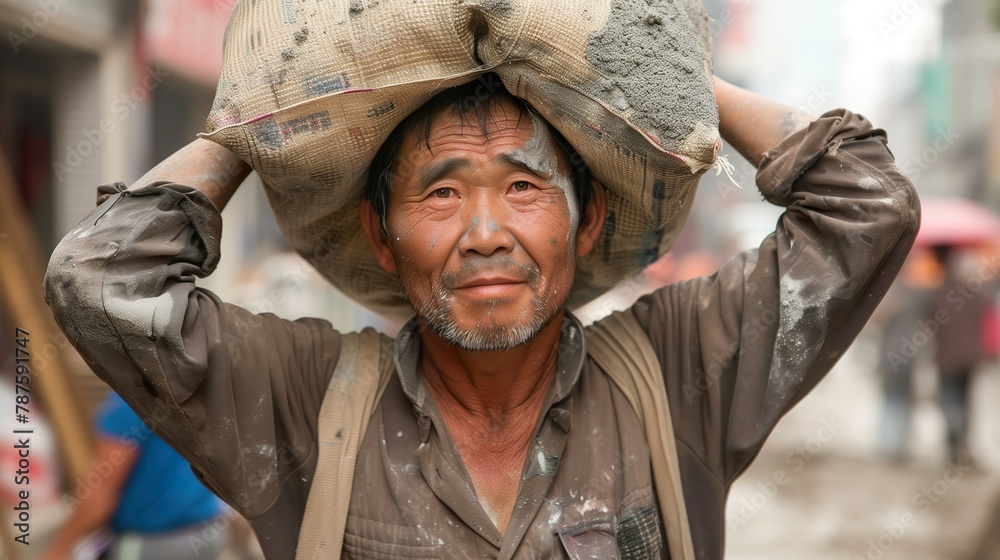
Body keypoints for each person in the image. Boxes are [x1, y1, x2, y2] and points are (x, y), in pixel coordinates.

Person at [43, 76, 919, 559]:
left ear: (590, 223)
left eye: (526, 187)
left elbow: (869, 208)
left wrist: (683, 81)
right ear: (381, 239)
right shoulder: (299, 401)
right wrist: (244, 128)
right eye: (444, 192)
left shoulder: (681, 371)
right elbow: (98, 280)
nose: (486, 233)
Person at [42, 391, 228, 560]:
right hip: (209, 530)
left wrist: (59, 549)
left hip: (154, 543)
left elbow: (102, 486)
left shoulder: (129, 403)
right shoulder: (186, 391)